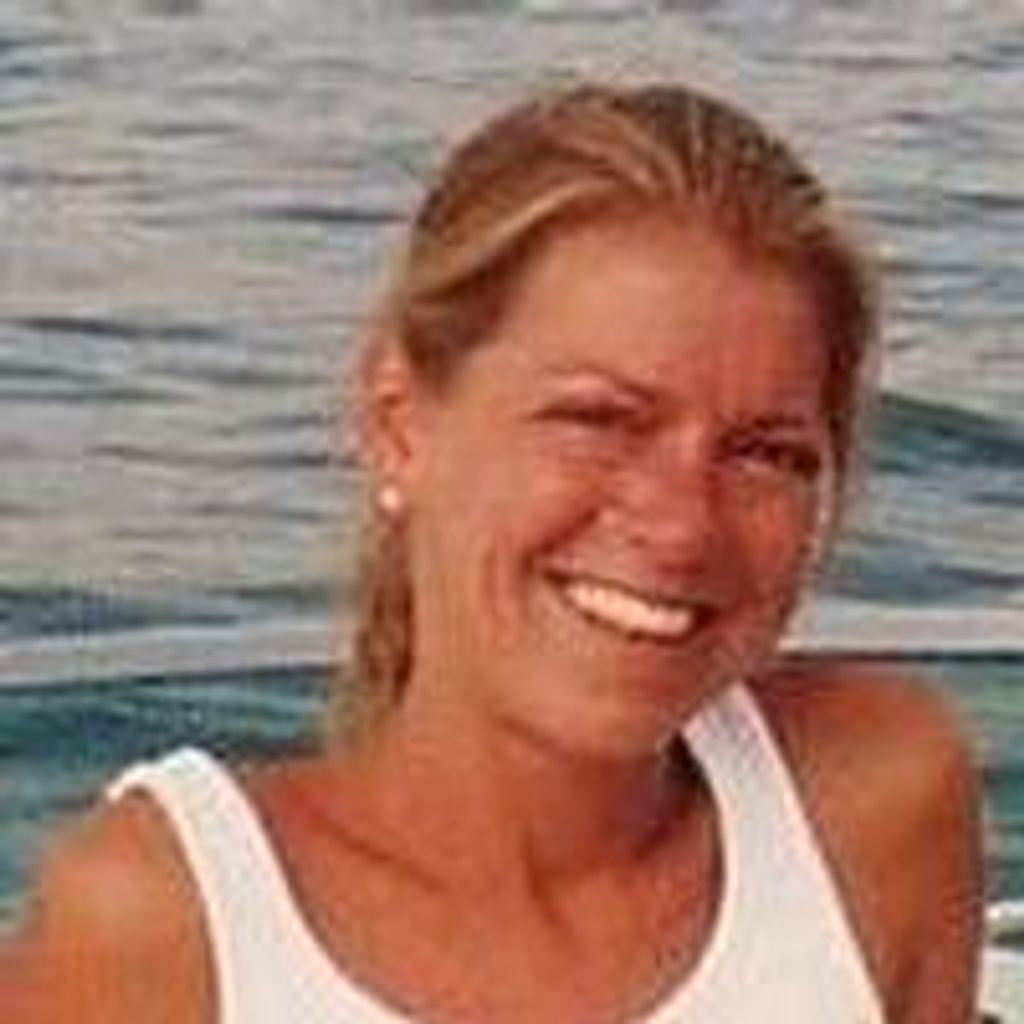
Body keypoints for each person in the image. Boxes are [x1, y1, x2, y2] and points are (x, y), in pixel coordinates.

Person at [1, 82, 982, 1023]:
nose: (684, 524)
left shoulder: (871, 802)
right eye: (599, 419)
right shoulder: (168, 922)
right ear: (398, 423)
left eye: (765, 453)